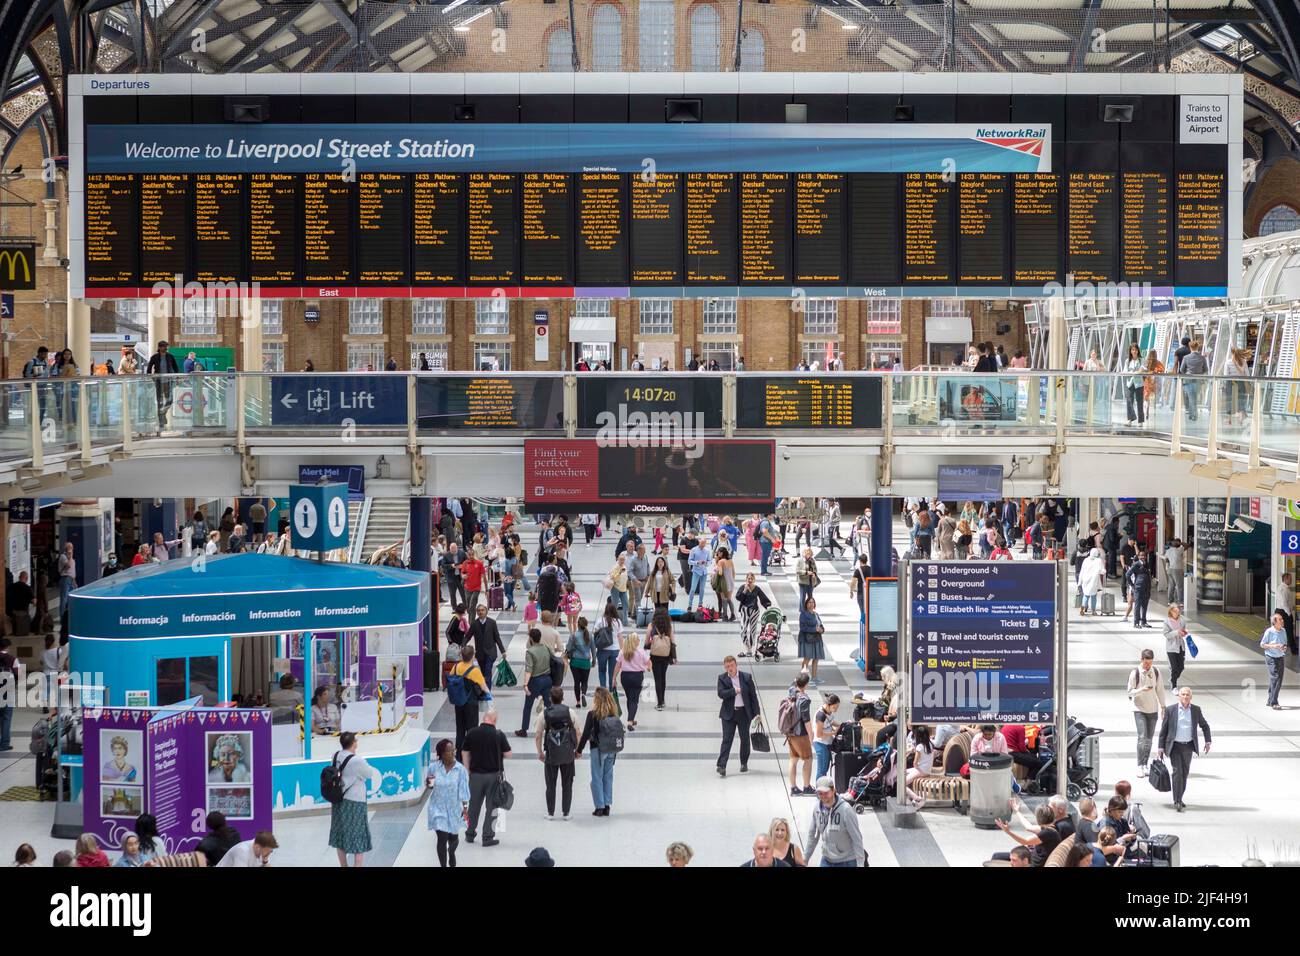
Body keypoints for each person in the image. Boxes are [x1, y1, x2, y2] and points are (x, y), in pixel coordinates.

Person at [1156, 686, 1212, 812]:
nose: (1185, 697)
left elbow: (1205, 726)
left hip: (1188, 746)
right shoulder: (1171, 710)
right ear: (1179, 696)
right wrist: (1160, 747)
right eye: (1183, 694)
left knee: (1184, 774)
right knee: (1177, 773)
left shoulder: (1196, 710)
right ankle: (1177, 801)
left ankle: (1180, 798)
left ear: (1190, 697)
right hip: (1174, 746)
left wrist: (1208, 741)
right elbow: (1163, 731)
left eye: (1187, 695)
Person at [328, 731, 379, 867]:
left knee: (340, 835)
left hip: (338, 800)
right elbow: (369, 773)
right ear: (353, 744)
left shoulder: (335, 755)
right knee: (358, 836)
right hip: (355, 802)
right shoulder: (356, 760)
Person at [462, 710, 510, 847]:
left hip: (475, 776)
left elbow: (464, 751)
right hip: (493, 777)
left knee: (473, 806)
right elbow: (508, 754)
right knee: (493, 807)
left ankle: (470, 834)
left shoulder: (472, 732)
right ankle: (488, 837)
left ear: (484, 719)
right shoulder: (498, 734)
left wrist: (467, 768)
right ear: (494, 720)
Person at [576, 686, 622, 817]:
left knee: (597, 777)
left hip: (598, 749)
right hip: (611, 750)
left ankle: (599, 807)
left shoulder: (593, 714)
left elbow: (585, 734)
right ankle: (607, 805)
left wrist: (578, 750)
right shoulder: (614, 714)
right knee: (608, 777)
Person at [535, 686, 579, 820]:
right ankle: (566, 813)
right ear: (563, 698)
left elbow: (538, 735)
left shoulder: (544, 714)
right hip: (567, 754)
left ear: (550, 699)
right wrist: (576, 750)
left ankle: (550, 813)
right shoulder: (570, 712)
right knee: (567, 784)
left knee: (550, 784)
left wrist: (540, 752)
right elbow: (578, 732)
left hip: (551, 753)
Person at [426, 738, 469, 868]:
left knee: (453, 839)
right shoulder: (433, 767)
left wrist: (465, 808)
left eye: (453, 750)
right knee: (441, 839)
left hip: (454, 809)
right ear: (442, 753)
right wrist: (429, 782)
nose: (453, 753)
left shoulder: (460, 769)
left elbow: (464, 790)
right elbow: (430, 786)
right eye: (449, 751)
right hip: (437, 808)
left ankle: (451, 852)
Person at [806, 777, 865, 867]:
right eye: (820, 793)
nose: (823, 796)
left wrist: (860, 864)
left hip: (847, 861)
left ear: (833, 790)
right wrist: (805, 859)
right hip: (826, 860)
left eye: (826, 793)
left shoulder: (846, 810)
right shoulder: (817, 809)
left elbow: (857, 838)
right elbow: (812, 836)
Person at [1126, 649, 1167, 777]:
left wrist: (1163, 706)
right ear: (1141, 659)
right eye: (1146, 663)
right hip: (1139, 709)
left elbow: (1160, 690)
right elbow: (1129, 692)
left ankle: (1145, 764)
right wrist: (1141, 690)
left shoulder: (1155, 672)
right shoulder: (1135, 673)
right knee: (1142, 737)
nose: (1148, 665)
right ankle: (1139, 765)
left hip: (1153, 709)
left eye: (1150, 663)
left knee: (1149, 739)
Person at [717, 655, 759, 776]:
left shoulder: (746, 677)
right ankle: (721, 765)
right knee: (726, 739)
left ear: (736, 665)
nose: (730, 668)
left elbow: (753, 697)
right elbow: (720, 693)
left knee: (744, 738)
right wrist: (733, 691)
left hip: (743, 714)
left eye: (731, 666)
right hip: (728, 714)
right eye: (727, 667)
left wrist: (757, 714)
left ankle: (744, 762)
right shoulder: (722, 678)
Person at [448, 646, 487, 755]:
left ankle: (459, 752)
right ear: (473, 656)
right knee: (472, 729)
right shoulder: (475, 671)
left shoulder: (456, 667)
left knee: (460, 728)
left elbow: (451, 678)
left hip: (459, 702)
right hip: (471, 703)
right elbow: (483, 686)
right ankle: (471, 751)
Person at [991, 804, 1060, 866]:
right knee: (997, 856)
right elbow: (1028, 827)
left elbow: (1025, 841)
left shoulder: (1047, 832)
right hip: (1032, 857)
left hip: (1034, 863)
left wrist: (1008, 832)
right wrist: (1017, 811)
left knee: (997, 857)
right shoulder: (1051, 828)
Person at [517, 628, 555, 737]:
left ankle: (524, 729)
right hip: (547, 679)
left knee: (528, 706)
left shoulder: (530, 652)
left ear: (531, 639)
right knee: (550, 705)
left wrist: (525, 684)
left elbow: (529, 669)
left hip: (535, 681)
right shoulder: (546, 648)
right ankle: (555, 725)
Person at [784, 673, 815, 796]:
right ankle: (807, 786)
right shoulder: (804, 699)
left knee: (793, 759)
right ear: (806, 685)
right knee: (808, 759)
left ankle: (793, 788)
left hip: (790, 732)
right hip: (801, 734)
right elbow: (806, 720)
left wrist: (800, 675)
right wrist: (811, 736)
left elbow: (793, 682)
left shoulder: (791, 691)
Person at [614, 632, 650, 732]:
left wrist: (614, 678)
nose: (639, 641)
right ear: (635, 641)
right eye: (638, 639)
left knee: (630, 698)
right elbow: (648, 662)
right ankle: (630, 721)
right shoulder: (641, 651)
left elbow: (618, 665)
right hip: (637, 677)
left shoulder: (623, 651)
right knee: (634, 700)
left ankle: (632, 718)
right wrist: (649, 668)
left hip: (625, 677)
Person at [469, 603, 506, 696]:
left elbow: (497, 637)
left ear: (486, 611)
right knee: (482, 671)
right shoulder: (474, 624)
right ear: (477, 612)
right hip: (480, 653)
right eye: (479, 611)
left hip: (490, 652)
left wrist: (503, 651)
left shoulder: (492, 623)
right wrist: (462, 645)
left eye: (482, 610)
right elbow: (468, 636)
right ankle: (484, 688)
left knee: (487, 671)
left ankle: (487, 692)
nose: (481, 612)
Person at [145, 340, 180, 429]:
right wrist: (152, 377)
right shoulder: (155, 357)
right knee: (159, 401)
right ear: (160, 347)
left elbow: (176, 368)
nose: (166, 348)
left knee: (170, 400)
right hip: (158, 381)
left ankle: (163, 413)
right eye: (164, 346)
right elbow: (149, 368)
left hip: (168, 381)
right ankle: (160, 421)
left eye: (166, 346)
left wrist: (177, 377)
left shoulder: (170, 356)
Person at [735, 572, 771, 657]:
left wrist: (768, 606)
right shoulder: (742, 587)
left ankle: (750, 648)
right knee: (743, 629)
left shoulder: (757, 588)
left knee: (752, 630)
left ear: (754, 580)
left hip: (754, 611)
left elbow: (763, 598)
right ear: (746, 579)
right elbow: (738, 598)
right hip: (745, 610)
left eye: (751, 579)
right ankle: (747, 645)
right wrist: (744, 590)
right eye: (748, 579)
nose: (750, 580)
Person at [1260, 611, 1288, 710]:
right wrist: (1274, 646)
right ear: (1274, 622)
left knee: (1278, 680)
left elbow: (1285, 643)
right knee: (1275, 678)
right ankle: (1274, 702)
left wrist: (1284, 648)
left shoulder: (1283, 631)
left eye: (1282, 619)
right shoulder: (1269, 631)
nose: (1282, 620)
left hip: (1280, 657)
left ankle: (1269, 699)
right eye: (1280, 619)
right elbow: (1262, 644)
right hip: (1271, 657)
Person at [565, 616, 595, 708]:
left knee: (576, 682)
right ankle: (584, 694)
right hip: (586, 662)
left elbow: (568, 648)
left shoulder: (573, 635)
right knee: (585, 682)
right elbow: (593, 649)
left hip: (575, 662)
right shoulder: (590, 635)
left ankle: (578, 702)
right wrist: (594, 659)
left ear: (578, 625)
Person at [904, 725, 935, 809]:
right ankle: (910, 797)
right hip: (927, 770)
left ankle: (917, 799)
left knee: (901, 783)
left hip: (920, 770)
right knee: (904, 772)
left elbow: (915, 763)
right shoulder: (930, 744)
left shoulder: (919, 747)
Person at [797, 597, 826, 685]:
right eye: (809, 602)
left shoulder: (816, 614)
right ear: (806, 604)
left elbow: (820, 625)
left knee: (816, 658)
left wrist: (822, 630)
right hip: (807, 639)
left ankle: (814, 677)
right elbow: (803, 628)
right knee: (807, 658)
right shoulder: (803, 614)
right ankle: (803, 678)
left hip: (816, 639)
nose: (811, 604)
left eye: (812, 602)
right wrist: (815, 629)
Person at [811, 693, 839, 783]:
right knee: (822, 769)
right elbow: (819, 734)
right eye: (834, 707)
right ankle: (820, 790)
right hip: (821, 744)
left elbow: (831, 721)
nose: (836, 709)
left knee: (825, 768)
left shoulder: (828, 712)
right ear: (828, 705)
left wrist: (841, 725)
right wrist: (833, 733)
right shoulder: (821, 715)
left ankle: (823, 789)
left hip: (826, 743)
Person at [1179, 339, 1208, 420]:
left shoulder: (1186, 357)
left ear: (1190, 347)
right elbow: (1206, 369)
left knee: (1191, 398)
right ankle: (1193, 415)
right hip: (1198, 380)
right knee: (1194, 398)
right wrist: (1200, 373)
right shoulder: (1202, 358)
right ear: (1197, 347)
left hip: (1188, 380)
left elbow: (1181, 369)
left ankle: (1193, 415)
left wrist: (1187, 373)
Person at [1163, 603, 1190, 688]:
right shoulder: (1167, 621)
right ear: (1171, 611)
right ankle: (1174, 685)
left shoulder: (1182, 620)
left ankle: (1172, 679)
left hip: (1180, 646)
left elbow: (1184, 630)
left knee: (1181, 667)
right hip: (1171, 648)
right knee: (1174, 667)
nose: (1177, 613)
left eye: (1178, 611)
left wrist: (1184, 633)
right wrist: (1176, 632)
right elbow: (1166, 634)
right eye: (1175, 611)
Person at [1126, 548, 1153, 628]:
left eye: (1144, 555)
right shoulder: (1136, 564)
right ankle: (1136, 622)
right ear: (1138, 556)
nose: (1143, 557)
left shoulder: (1147, 564)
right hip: (1138, 588)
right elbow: (1128, 574)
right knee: (1137, 605)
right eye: (1141, 556)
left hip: (1146, 588)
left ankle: (1143, 621)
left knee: (1145, 605)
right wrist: (1132, 585)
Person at [1122, 343, 1145, 426]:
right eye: (1132, 350)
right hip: (1130, 383)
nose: (1134, 351)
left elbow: (1141, 370)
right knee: (1129, 400)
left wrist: (1133, 372)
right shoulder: (1127, 361)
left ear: (1138, 350)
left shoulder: (1142, 360)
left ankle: (1140, 421)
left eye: (1135, 349)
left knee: (1140, 402)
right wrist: (1132, 372)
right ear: (1130, 351)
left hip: (1139, 383)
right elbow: (1124, 371)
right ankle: (1130, 419)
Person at [1078, 547, 1105, 615]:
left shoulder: (1086, 560)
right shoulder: (1098, 560)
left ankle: (1083, 606)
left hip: (1085, 579)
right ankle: (1093, 611)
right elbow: (1102, 571)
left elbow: (1082, 571)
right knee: (1093, 596)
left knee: (1086, 595)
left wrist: (1079, 582)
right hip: (1094, 580)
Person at [1163, 537, 1186, 606]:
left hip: (1170, 569)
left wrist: (1169, 565)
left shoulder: (1168, 550)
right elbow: (1188, 545)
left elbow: (1166, 559)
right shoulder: (1179, 550)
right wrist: (1181, 543)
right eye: (1178, 542)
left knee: (1171, 586)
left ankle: (1170, 601)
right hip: (1177, 569)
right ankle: (1181, 602)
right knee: (1179, 586)